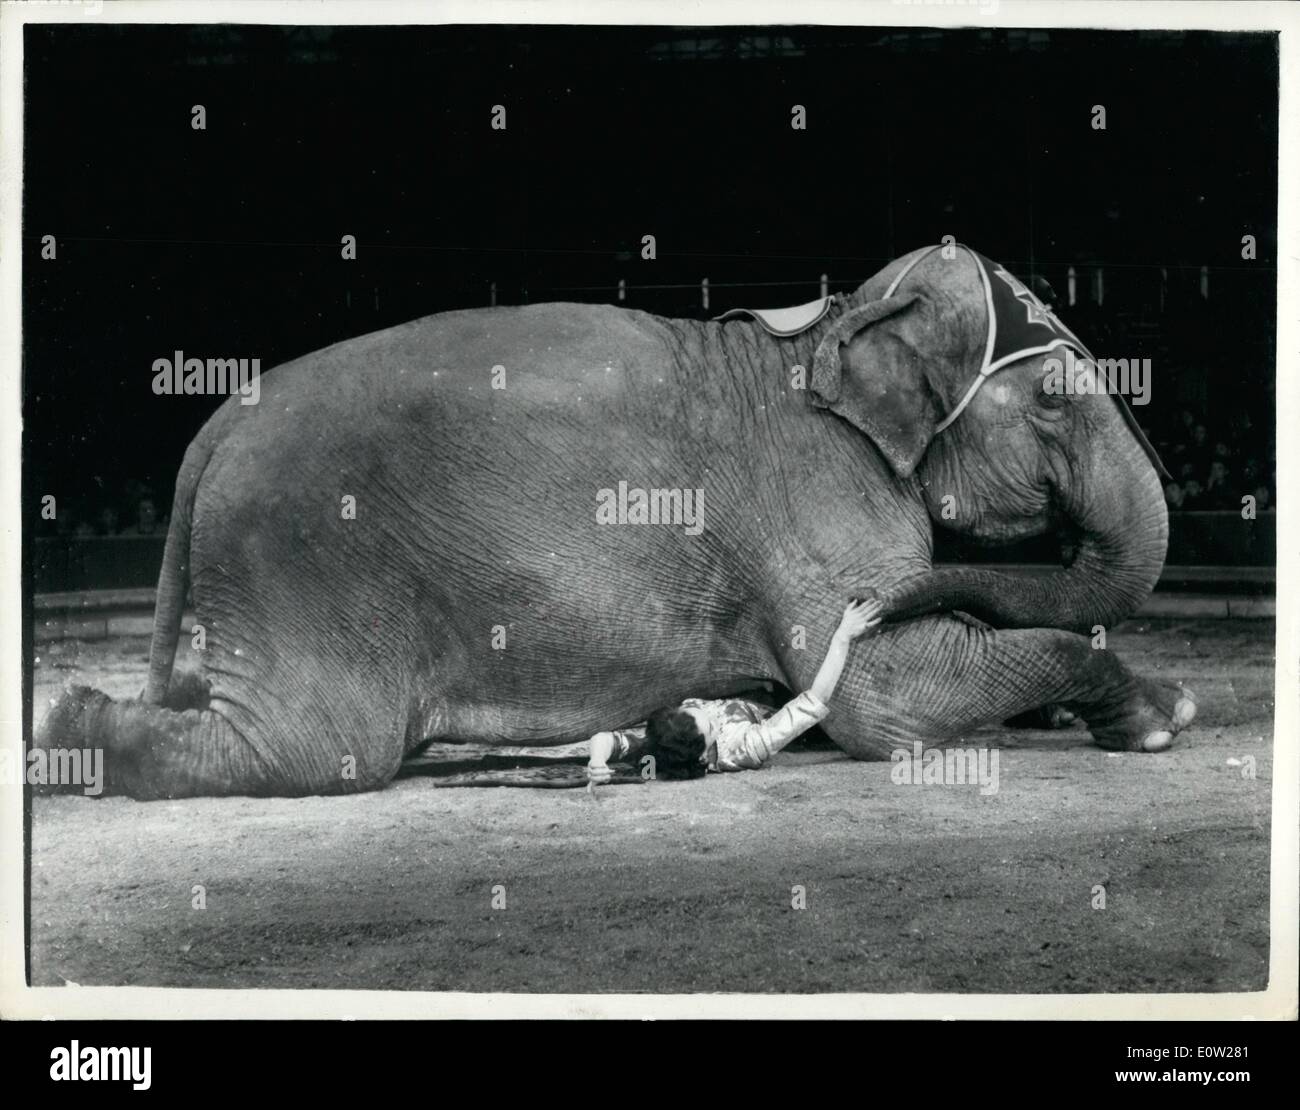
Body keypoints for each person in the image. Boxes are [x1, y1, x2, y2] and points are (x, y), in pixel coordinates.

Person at [586, 597, 882, 785]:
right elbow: (814, 701)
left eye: (694, 709)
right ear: (703, 757)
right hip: (802, 713)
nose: (709, 713)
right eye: (711, 725)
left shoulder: (661, 741)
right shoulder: (745, 748)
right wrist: (843, 635)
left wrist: (596, 761)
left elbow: (606, 739)